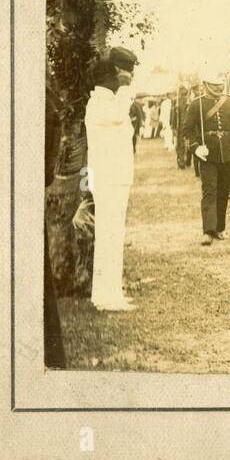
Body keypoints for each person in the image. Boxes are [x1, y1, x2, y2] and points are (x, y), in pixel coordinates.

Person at [83, 46, 140, 311]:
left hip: (114, 177)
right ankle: (107, 297)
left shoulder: (106, 102)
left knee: (112, 235)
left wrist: (125, 89)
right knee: (109, 236)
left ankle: (108, 294)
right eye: (123, 75)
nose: (127, 79)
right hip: (109, 178)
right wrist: (126, 88)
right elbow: (119, 116)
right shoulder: (100, 104)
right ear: (112, 76)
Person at [181, 71, 230, 245]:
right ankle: (208, 231)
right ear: (206, 84)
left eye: (220, 84)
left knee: (223, 191)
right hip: (207, 154)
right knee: (210, 190)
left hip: (227, 153)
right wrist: (196, 148)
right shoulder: (197, 104)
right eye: (215, 84)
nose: (218, 87)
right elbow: (187, 130)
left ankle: (220, 228)